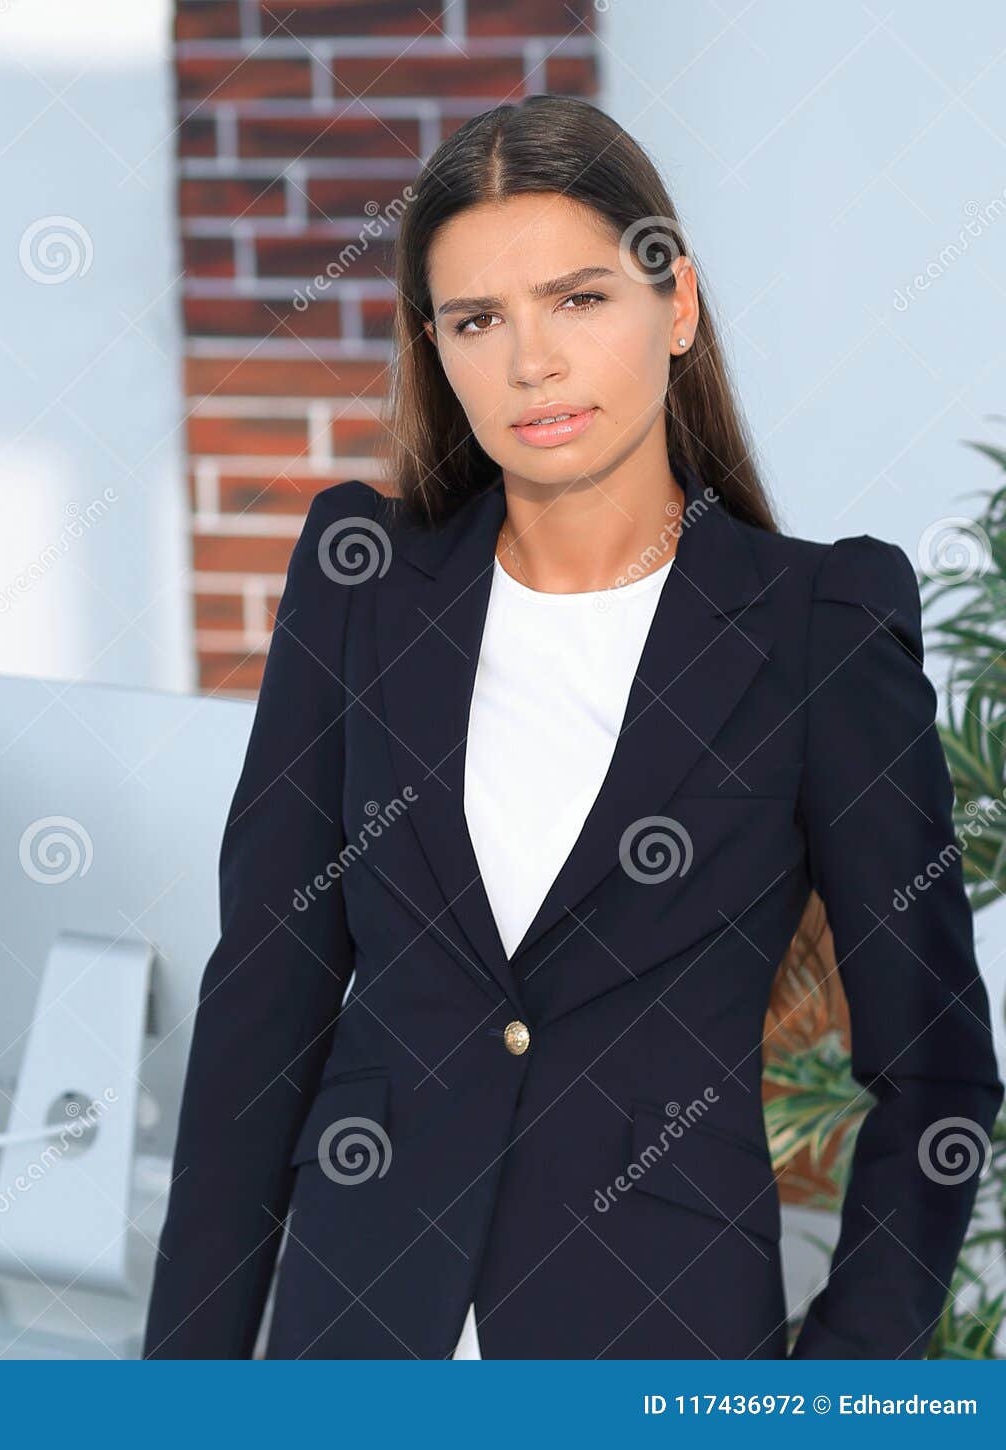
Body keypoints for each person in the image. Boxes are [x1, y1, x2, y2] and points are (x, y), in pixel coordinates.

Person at [143, 95, 1003, 1360]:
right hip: (359, 1340)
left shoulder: (817, 623)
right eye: (477, 320)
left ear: (677, 306)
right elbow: (259, 1021)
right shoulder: (359, 580)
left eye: (579, 299)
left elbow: (935, 1078)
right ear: (433, 347)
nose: (529, 362)